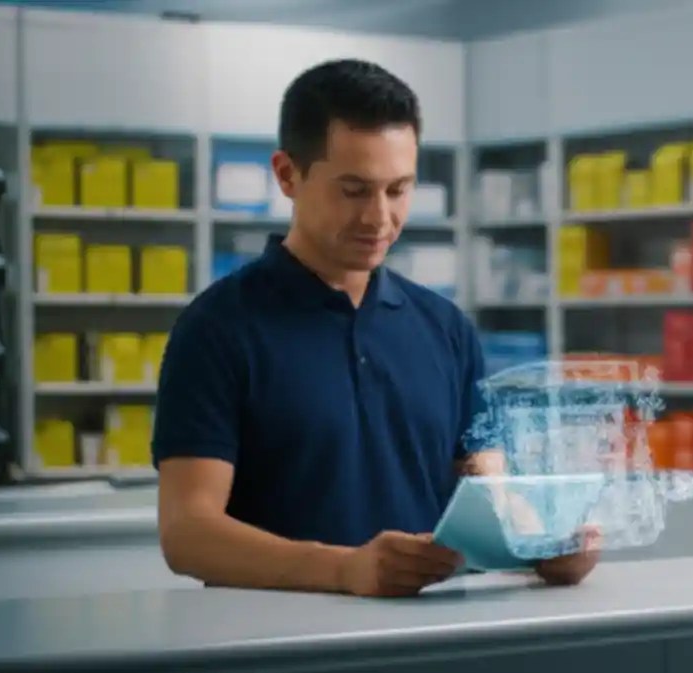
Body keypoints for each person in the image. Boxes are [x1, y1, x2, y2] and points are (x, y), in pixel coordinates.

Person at [152, 59, 598, 597]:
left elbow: (490, 489)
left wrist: (542, 545)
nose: (379, 218)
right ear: (288, 175)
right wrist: (344, 570)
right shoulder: (218, 329)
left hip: (433, 643)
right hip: (274, 654)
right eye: (354, 190)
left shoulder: (446, 329)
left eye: (398, 190)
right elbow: (188, 533)